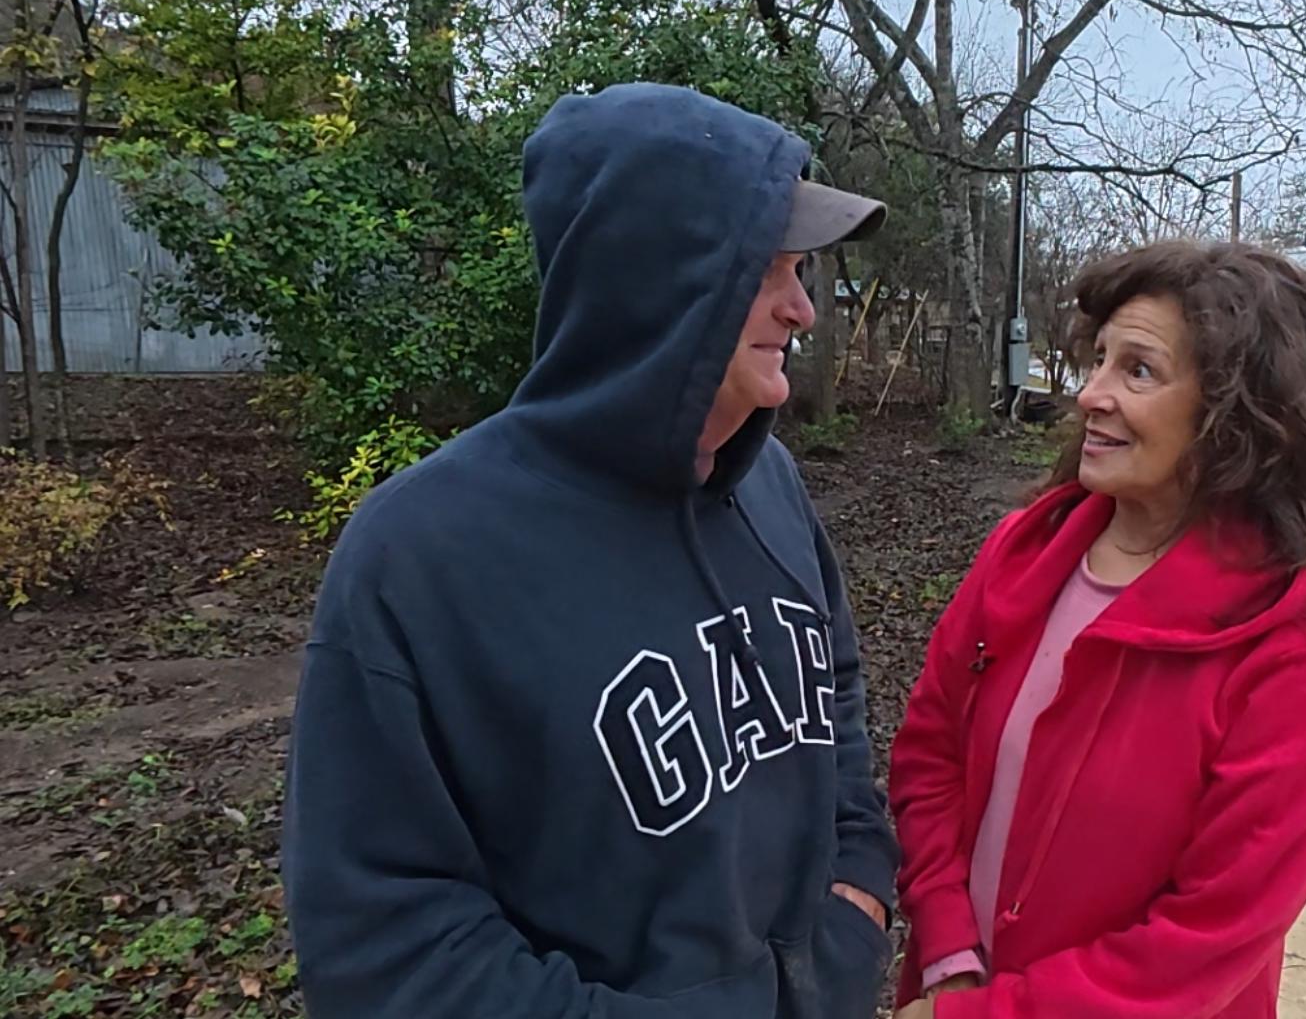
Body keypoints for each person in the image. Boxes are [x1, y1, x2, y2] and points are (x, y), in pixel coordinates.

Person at [282, 83, 899, 1019]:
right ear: (662, 283)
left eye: (799, 271)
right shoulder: (423, 554)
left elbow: (838, 697)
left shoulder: (770, 487)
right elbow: (387, 945)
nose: (801, 310)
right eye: (765, 272)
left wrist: (855, 898)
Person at [888, 241, 1306, 1018]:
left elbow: (1209, 935)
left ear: (1238, 413)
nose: (1090, 395)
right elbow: (930, 752)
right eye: (1098, 360)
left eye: (1138, 370)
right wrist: (949, 951)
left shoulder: (1298, 641)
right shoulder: (1023, 553)